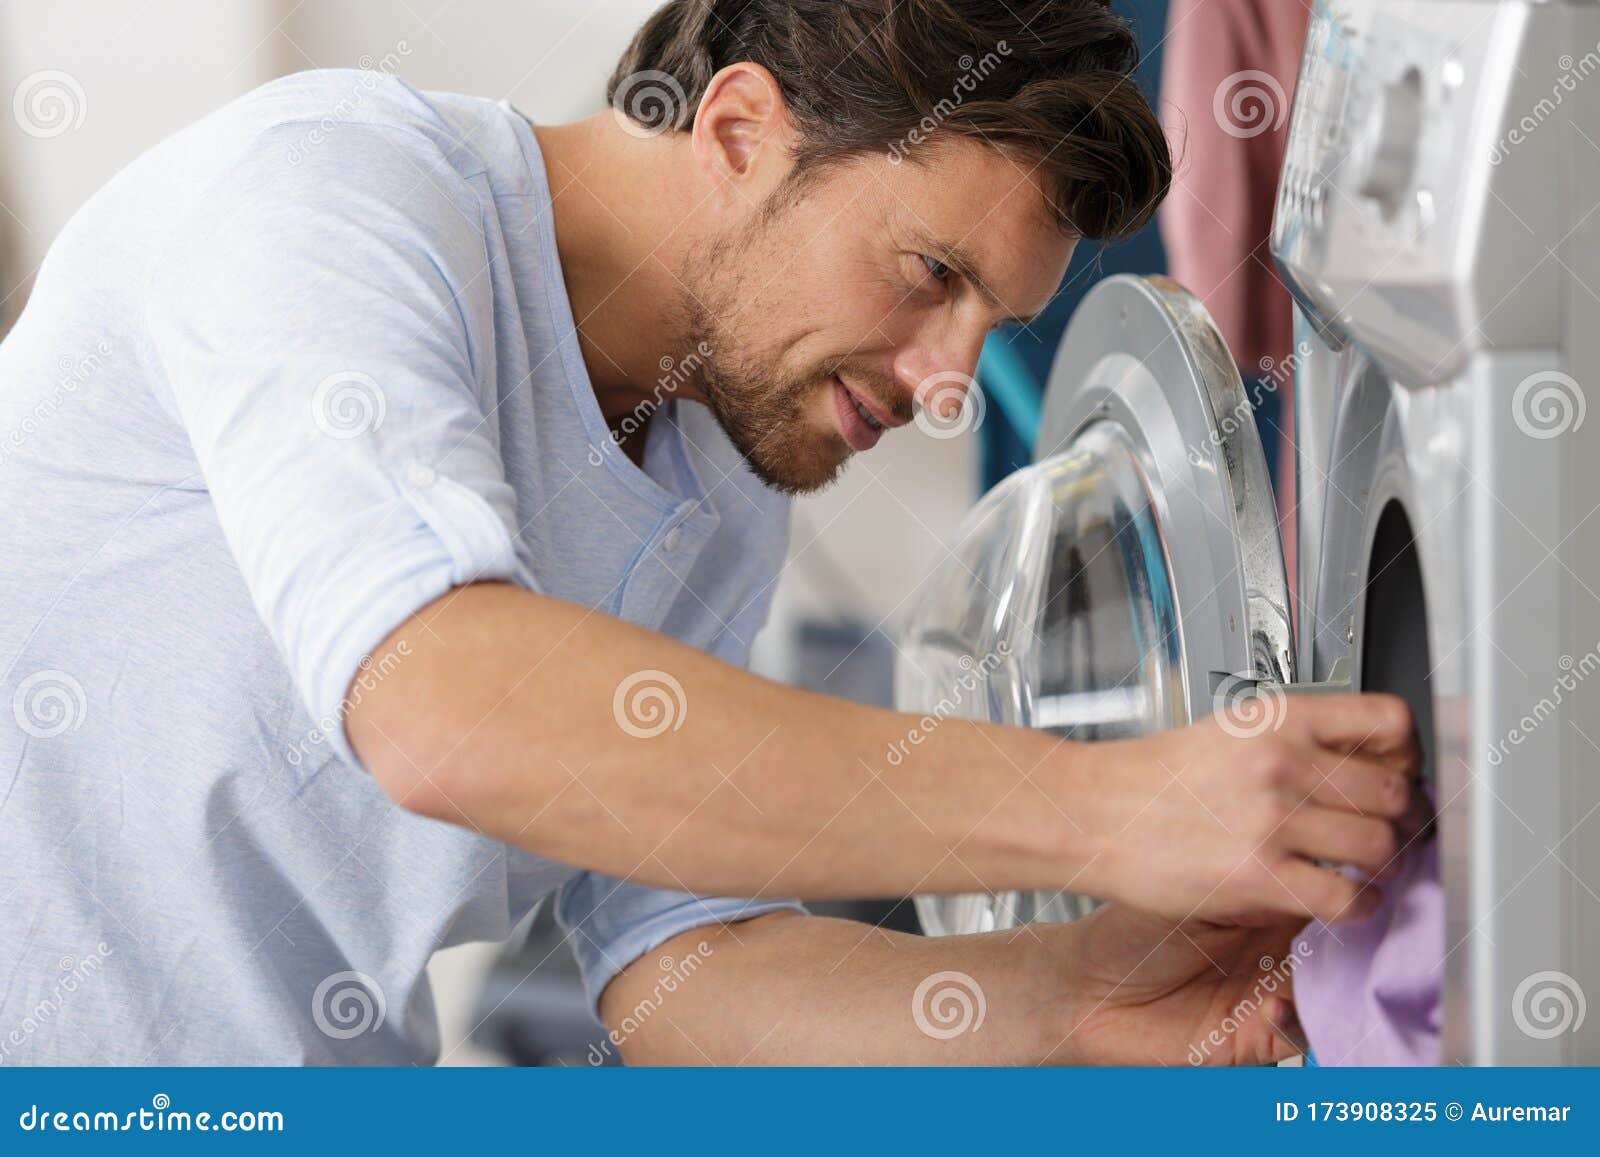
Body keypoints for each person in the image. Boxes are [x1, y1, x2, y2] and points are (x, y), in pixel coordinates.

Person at [0, 0, 1418, 1065]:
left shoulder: (710, 459)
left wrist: (1077, 990)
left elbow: (681, 962)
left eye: (989, 329)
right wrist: (1113, 807)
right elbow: (447, 707)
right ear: (738, 132)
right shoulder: (326, 197)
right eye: (932, 274)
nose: (942, 386)